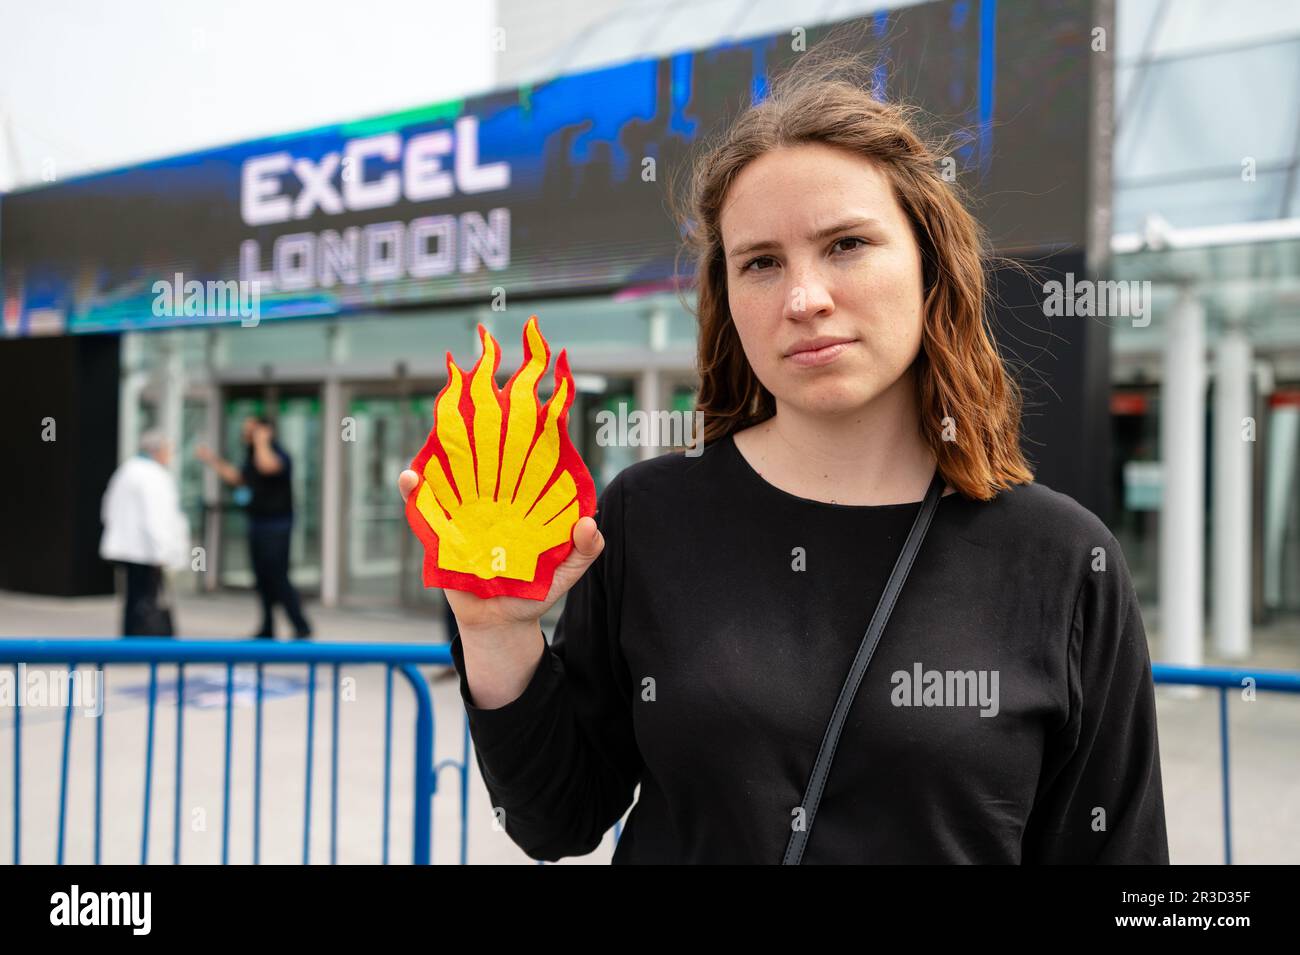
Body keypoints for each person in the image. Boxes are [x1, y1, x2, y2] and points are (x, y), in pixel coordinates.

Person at [398, 58, 1170, 864]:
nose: (804, 298)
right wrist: (495, 632)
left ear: (930, 263)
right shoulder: (648, 515)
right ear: (727, 296)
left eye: (846, 245)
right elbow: (556, 819)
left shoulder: (1062, 561)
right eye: (761, 262)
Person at [197, 416, 312, 640]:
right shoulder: (252, 456)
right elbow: (238, 478)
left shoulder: (279, 454)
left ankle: (301, 624)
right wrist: (211, 459)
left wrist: (261, 440)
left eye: (251, 431)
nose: (246, 435)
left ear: (265, 431)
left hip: (277, 525)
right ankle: (267, 626)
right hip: (257, 523)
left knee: (278, 576)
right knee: (261, 578)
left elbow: (267, 466)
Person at [100, 430, 190, 636]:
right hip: (146, 550)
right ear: (157, 451)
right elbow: (156, 518)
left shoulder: (127, 470)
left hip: (129, 548)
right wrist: (164, 552)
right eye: (168, 450)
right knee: (145, 598)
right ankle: (141, 640)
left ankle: (130, 637)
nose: (170, 455)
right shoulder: (153, 476)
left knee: (132, 597)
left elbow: (107, 508)